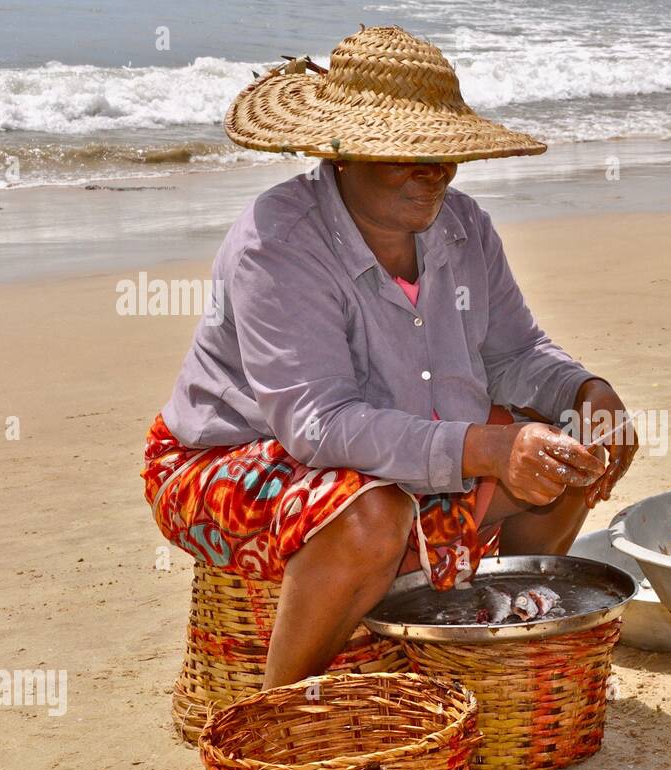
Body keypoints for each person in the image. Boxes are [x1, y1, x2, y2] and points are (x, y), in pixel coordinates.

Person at [143, 26, 636, 688]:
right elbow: (318, 424)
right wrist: (486, 449)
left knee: (569, 453)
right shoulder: (279, 244)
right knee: (373, 513)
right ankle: (275, 715)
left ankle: (497, 642)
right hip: (227, 460)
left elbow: (516, 353)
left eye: (441, 155)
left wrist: (586, 393)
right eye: (407, 154)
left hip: (403, 445)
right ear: (342, 155)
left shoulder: (464, 229)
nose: (431, 174)